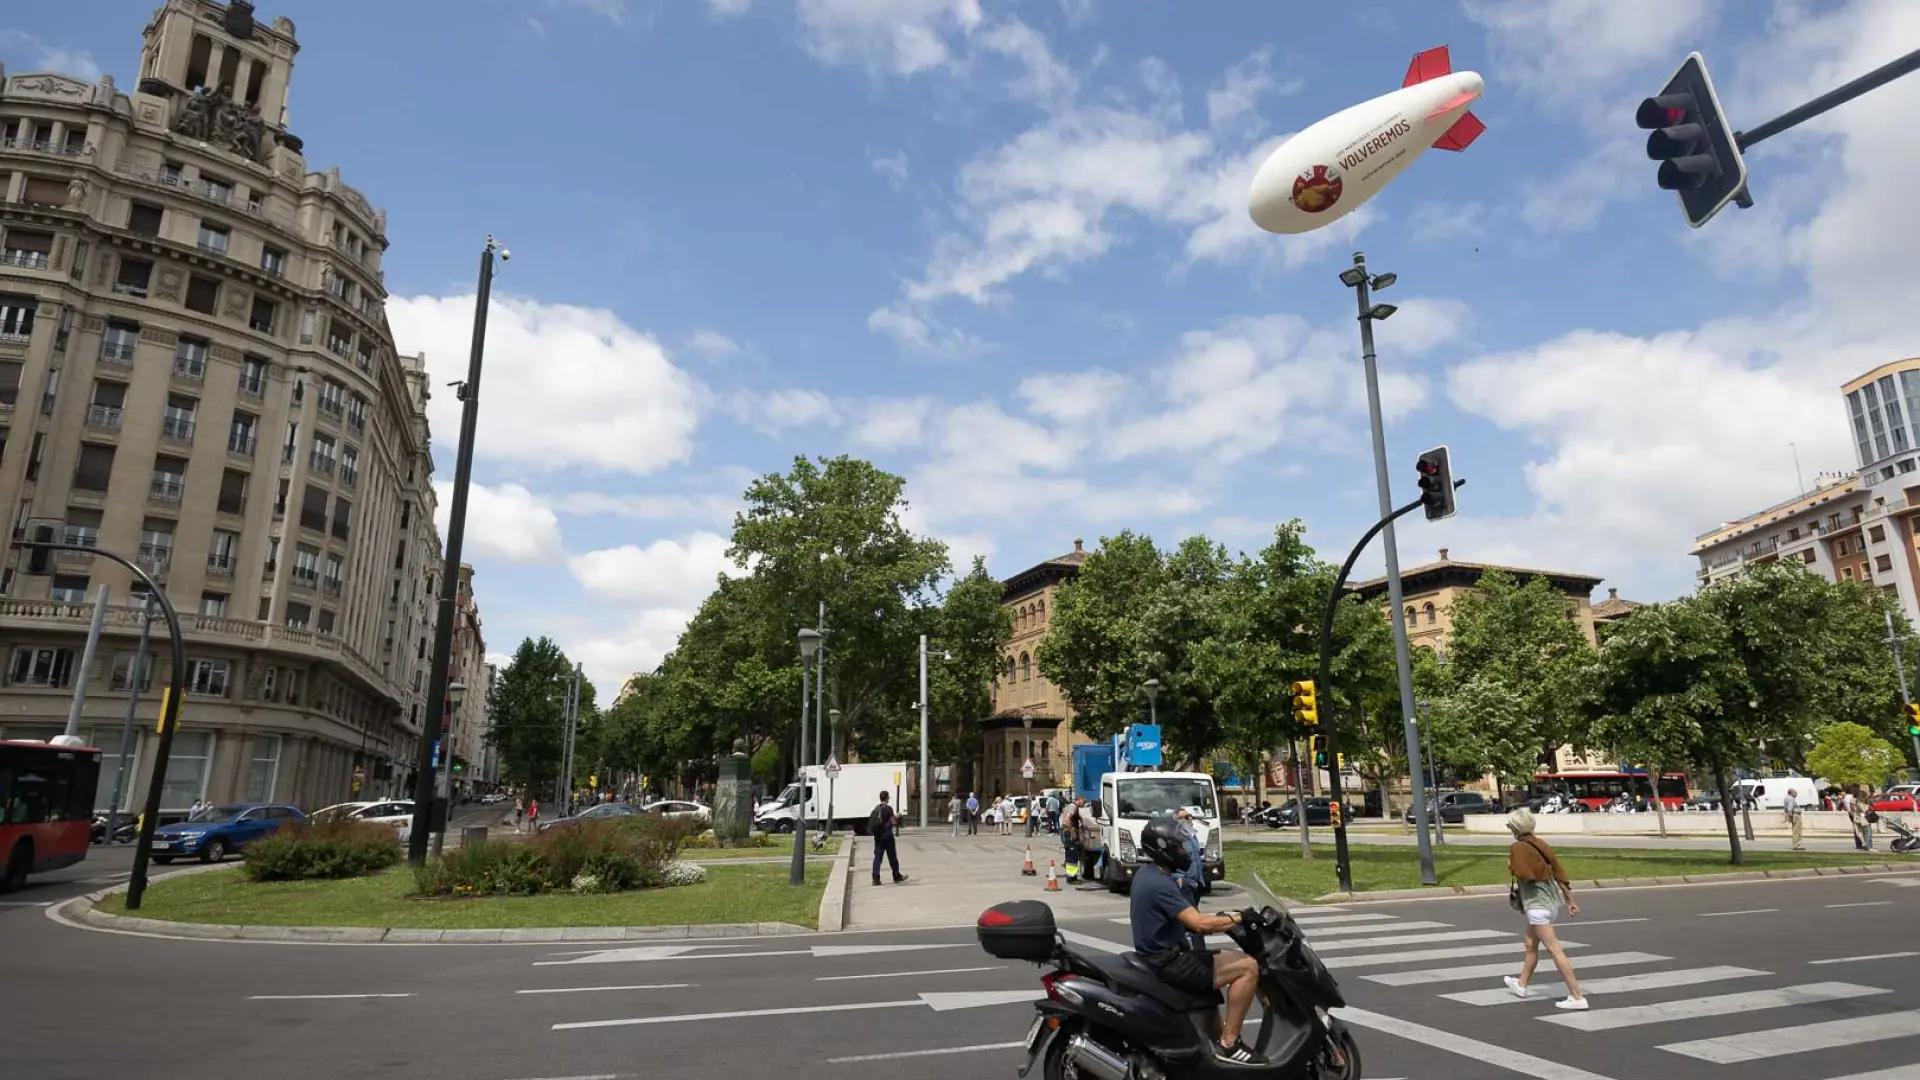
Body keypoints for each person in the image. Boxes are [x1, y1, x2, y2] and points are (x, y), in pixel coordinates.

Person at [1129, 816, 1262, 1065]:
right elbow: (1198, 923)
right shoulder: (1160, 884)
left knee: (1213, 973)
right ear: (1163, 848)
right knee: (1248, 967)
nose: (1184, 850)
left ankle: (1213, 1050)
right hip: (1169, 962)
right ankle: (1229, 1044)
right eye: (1179, 846)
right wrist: (1239, 916)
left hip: (1160, 956)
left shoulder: (1148, 875)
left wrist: (1222, 920)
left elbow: (1187, 919)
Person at [1502, 809, 1587, 1010]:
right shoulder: (1541, 843)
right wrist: (1570, 900)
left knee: (1555, 950)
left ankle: (1577, 996)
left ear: (1515, 828)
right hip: (1551, 902)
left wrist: (1511, 865)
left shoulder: (1518, 847)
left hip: (1537, 905)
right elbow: (1559, 872)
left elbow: (1523, 873)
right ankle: (1521, 984)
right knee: (1530, 943)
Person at [868, 791, 907, 885]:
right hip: (888, 837)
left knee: (877, 857)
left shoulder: (875, 809)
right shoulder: (888, 809)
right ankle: (896, 875)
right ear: (887, 798)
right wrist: (897, 817)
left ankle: (875, 878)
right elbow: (893, 822)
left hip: (878, 837)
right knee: (892, 857)